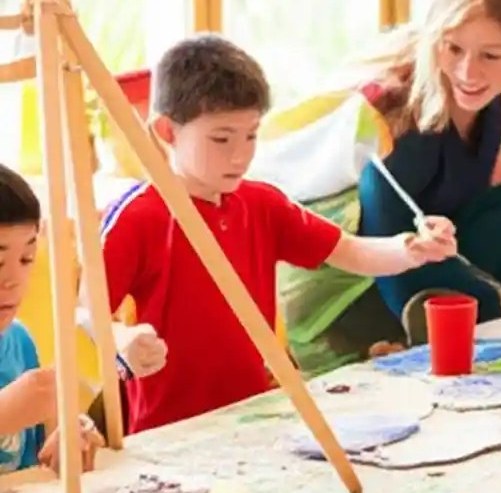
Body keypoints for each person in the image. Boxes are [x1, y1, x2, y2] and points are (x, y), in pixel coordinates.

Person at [99, 35, 456, 434]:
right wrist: (122, 339)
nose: (240, 154)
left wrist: (411, 248)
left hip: (254, 415)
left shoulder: (261, 203)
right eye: (221, 138)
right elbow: (85, 312)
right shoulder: (138, 215)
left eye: (251, 135)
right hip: (169, 428)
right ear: (167, 131)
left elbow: (349, 251)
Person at [358, 0, 501, 343]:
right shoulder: (398, 123)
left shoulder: (492, 112)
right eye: (454, 49)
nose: (468, 72)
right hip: (387, 324)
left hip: (474, 321)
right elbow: (393, 265)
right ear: (435, 42)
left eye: (490, 56)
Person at [0, 164, 103, 474]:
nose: (13, 280)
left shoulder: (19, 341)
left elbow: (39, 458)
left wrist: (68, 433)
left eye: (26, 259)